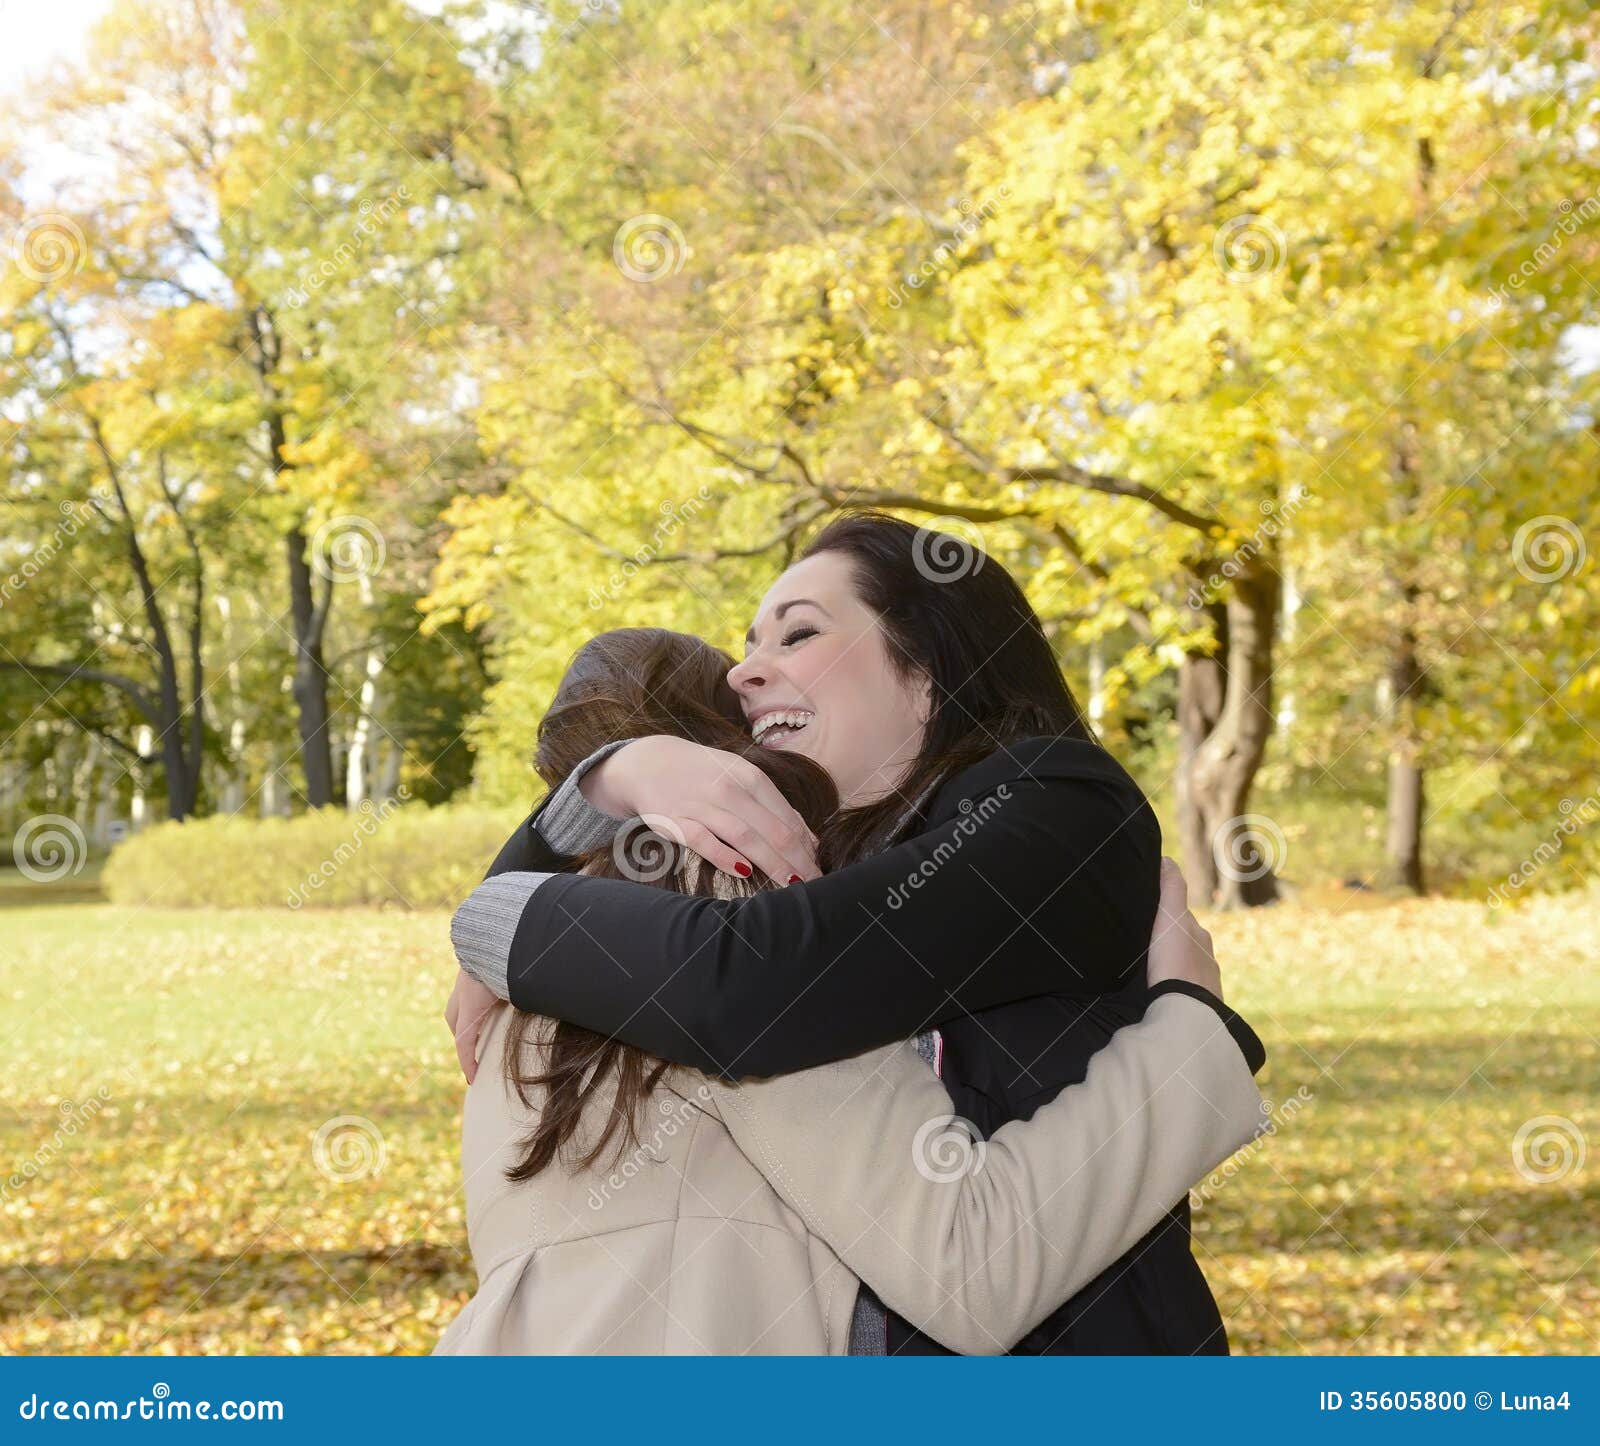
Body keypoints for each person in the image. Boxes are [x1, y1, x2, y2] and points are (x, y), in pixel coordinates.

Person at [449, 510, 1268, 1353]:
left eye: (798, 634)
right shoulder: (833, 873)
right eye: (748, 645)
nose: (742, 673)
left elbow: (747, 983)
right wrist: (606, 785)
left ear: (928, 670)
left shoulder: (1054, 803)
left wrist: (499, 912)